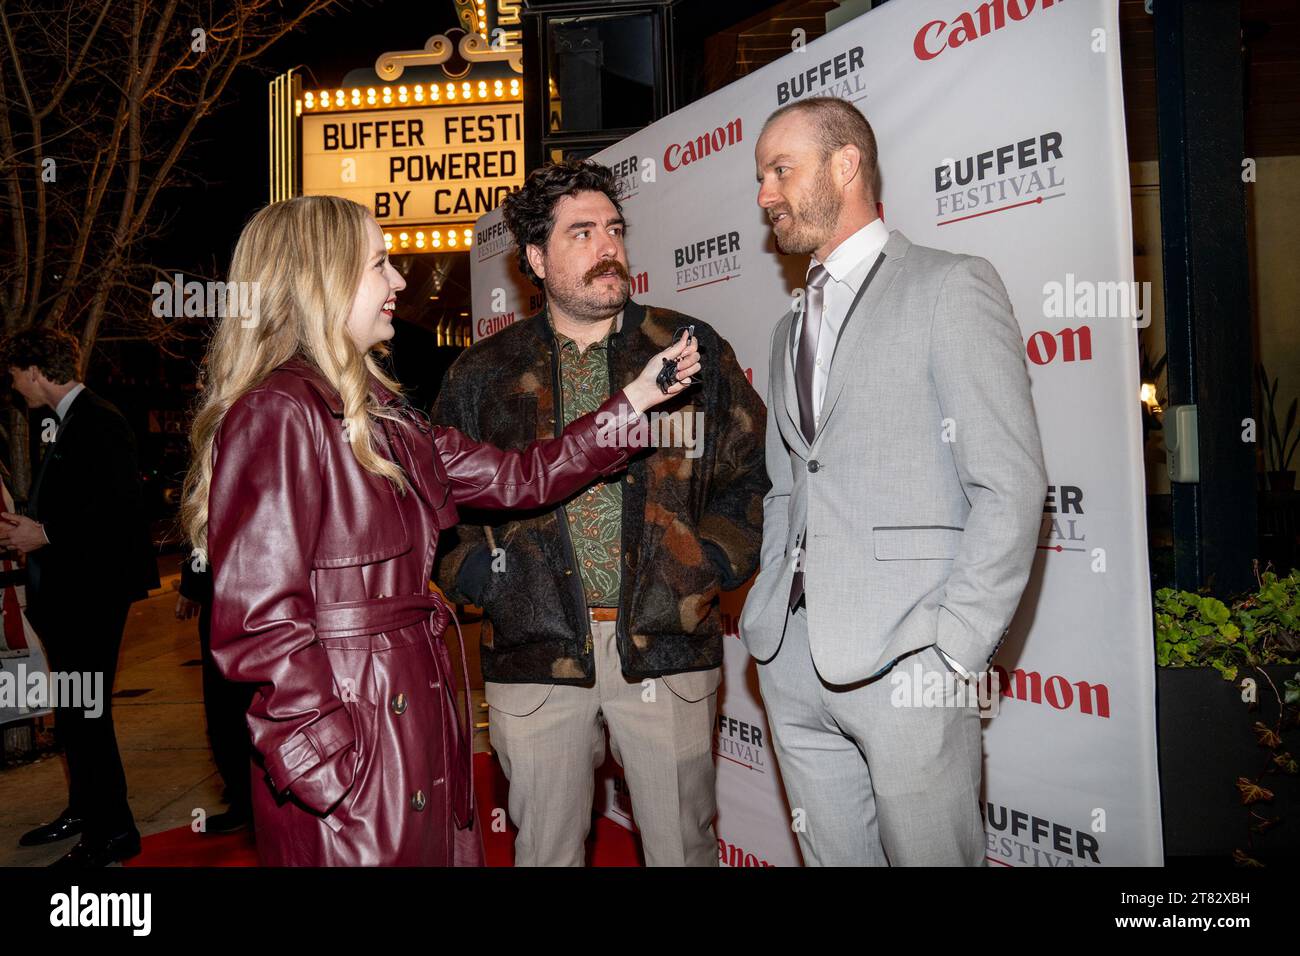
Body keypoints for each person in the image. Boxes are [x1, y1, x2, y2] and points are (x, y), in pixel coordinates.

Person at [180, 194, 699, 866]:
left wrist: (633, 400)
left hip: (412, 717)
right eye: (379, 266)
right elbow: (257, 625)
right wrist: (328, 766)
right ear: (323, 280)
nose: (398, 282)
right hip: (357, 744)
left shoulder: (385, 416)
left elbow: (521, 478)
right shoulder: (278, 413)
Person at [432, 160, 767, 866]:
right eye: (581, 233)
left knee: (684, 850)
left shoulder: (687, 351)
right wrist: (486, 584)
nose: (607, 247)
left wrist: (706, 567)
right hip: (533, 656)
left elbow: (751, 477)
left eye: (613, 229)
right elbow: (439, 510)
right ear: (534, 259)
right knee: (546, 853)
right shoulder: (481, 374)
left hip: (665, 649)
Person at [740, 97, 1047, 866]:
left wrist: (954, 651)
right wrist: (773, 622)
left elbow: (1010, 484)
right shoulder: (786, 329)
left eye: (781, 170)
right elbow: (787, 485)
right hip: (790, 658)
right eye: (761, 177)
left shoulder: (952, 286)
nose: (764, 194)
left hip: (911, 661)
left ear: (845, 166)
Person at [1, 327, 159, 867]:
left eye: (16, 376)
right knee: (73, 714)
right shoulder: (68, 421)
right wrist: (32, 524)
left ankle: (113, 832)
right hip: (70, 594)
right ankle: (84, 810)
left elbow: (118, 514)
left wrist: (44, 534)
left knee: (85, 714)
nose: (15, 386)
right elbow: (79, 503)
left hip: (92, 596)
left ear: (36, 372)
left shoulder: (99, 420)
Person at [176, 544, 255, 834]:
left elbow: (198, 525)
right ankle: (245, 797)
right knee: (227, 707)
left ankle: (249, 800)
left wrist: (193, 584)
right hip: (226, 589)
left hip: (241, 590)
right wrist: (193, 582)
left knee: (231, 706)